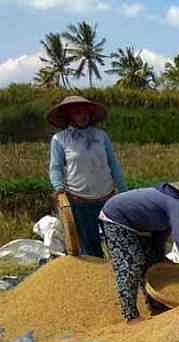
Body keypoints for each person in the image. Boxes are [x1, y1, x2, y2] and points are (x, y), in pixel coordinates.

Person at [99, 176, 179, 325]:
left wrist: (159, 255)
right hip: (116, 218)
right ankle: (131, 315)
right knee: (132, 266)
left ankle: (156, 306)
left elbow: (162, 229)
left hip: (140, 226)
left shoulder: (178, 203)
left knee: (154, 262)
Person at [48, 96, 126, 258]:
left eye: (85, 112)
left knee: (117, 242)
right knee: (90, 247)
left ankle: (119, 276)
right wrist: (59, 189)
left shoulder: (101, 136)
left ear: (90, 114)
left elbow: (113, 164)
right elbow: (55, 168)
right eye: (77, 112)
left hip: (107, 198)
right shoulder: (60, 139)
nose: (82, 116)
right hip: (80, 201)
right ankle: (95, 279)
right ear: (69, 116)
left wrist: (124, 192)